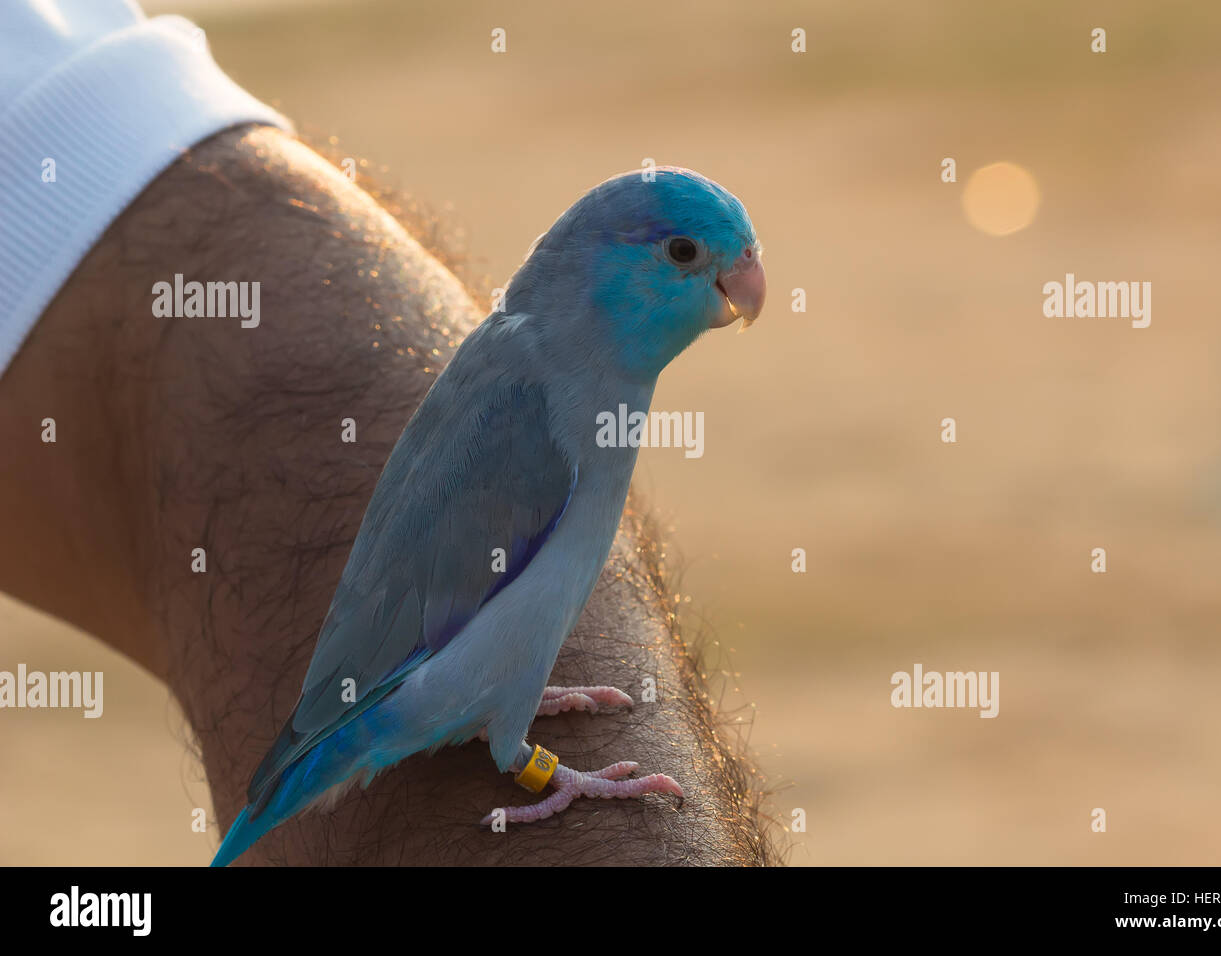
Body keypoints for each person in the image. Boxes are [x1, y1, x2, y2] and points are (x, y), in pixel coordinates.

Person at [0, 0, 772, 865]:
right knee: (514, 747)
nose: (741, 283)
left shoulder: (545, 369)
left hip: (413, 679)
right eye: (682, 255)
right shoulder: (539, 405)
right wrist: (565, 777)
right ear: (602, 269)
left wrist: (506, 681)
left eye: (735, 257)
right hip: (381, 698)